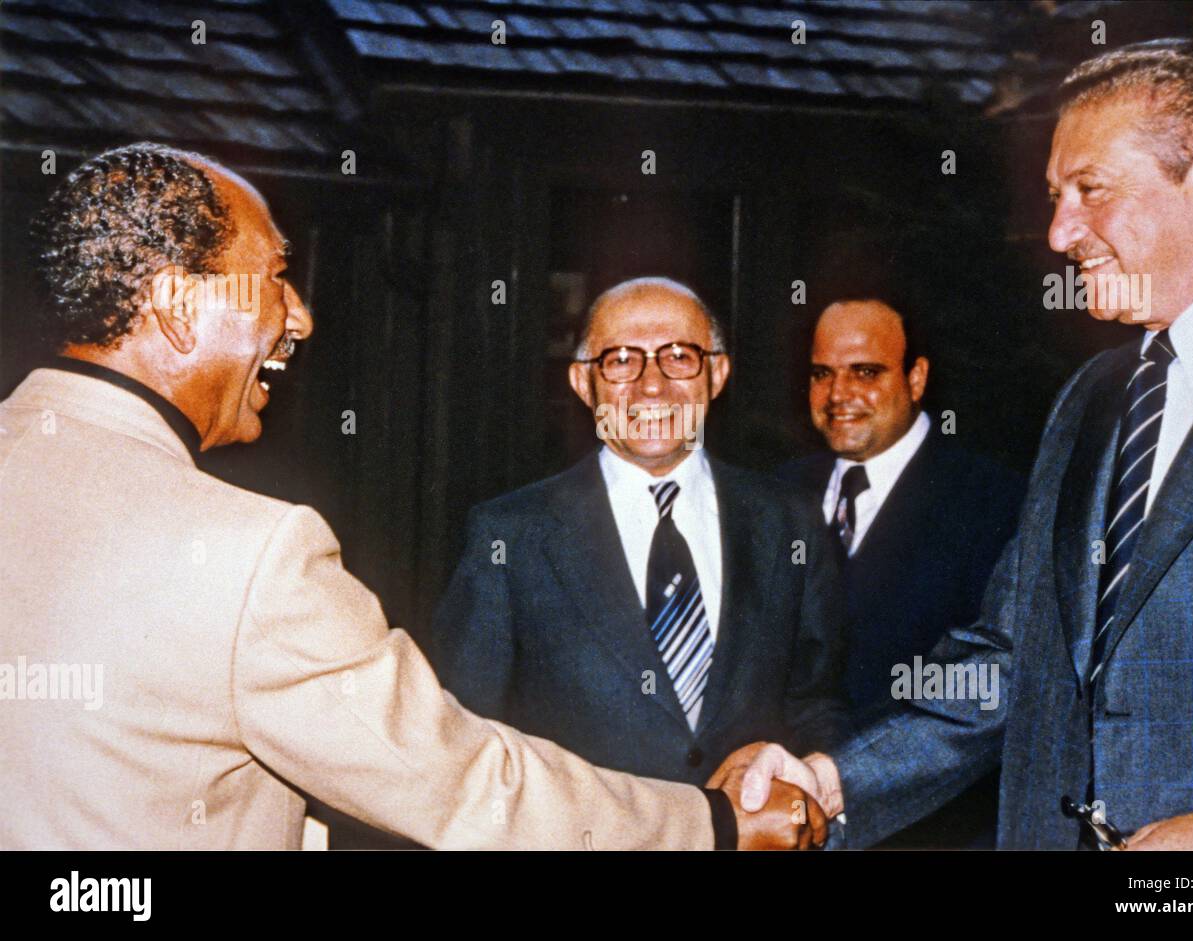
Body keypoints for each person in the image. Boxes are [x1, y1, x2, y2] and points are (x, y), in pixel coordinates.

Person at [0, 143, 824, 850]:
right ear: (180, 307)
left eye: (680, 356)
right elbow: (460, 780)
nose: (302, 317)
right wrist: (712, 827)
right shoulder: (250, 555)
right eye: (277, 276)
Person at [723, 38, 1193, 851]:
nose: (1061, 232)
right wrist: (832, 777)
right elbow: (1010, 657)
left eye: (1090, 191)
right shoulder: (1092, 398)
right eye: (1056, 196)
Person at [425, 277, 848, 789]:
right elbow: (462, 737)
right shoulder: (511, 537)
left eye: (679, 356)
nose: (652, 385)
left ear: (717, 373)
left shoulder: (788, 522)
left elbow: (818, 701)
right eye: (622, 360)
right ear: (584, 383)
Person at [779, 285, 1024, 847]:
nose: (839, 394)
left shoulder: (996, 503)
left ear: (915, 378)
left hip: (932, 830)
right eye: (822, 374)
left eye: (866, 372)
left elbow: (990, 688)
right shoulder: (774, 495)